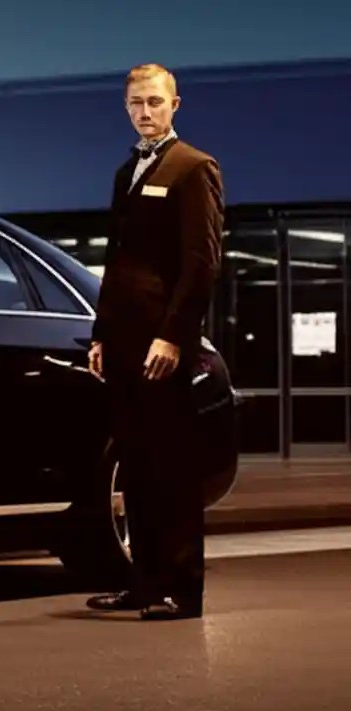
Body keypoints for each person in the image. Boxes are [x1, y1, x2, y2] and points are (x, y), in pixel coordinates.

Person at [85, 63, 225, 621]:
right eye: (136, 104)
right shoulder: (128, 173)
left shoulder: (194, 168)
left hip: (163, 345)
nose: (145, 112)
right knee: (136, 466)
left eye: (155, 103)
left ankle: (182, 591)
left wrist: (173, 336)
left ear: (175, 105)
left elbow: (202, 264)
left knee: (173, 469)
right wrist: (100, 334)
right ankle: (142, 583)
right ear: (126, 108)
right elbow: (118, 262)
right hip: (122, 343)